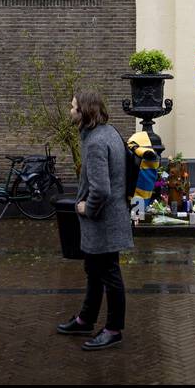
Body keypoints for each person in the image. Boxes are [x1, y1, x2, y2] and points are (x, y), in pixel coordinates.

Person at [56, 89, 133, 350]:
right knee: (94, 270)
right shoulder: (108, 132)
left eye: (73, 106)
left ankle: (113, 329)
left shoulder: (97, 142)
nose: (70, 110)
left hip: (104, 221)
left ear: (84, 111)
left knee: (109, 274)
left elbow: (101, 189)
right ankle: (85, 319)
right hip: (109, 219)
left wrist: (85, 208)